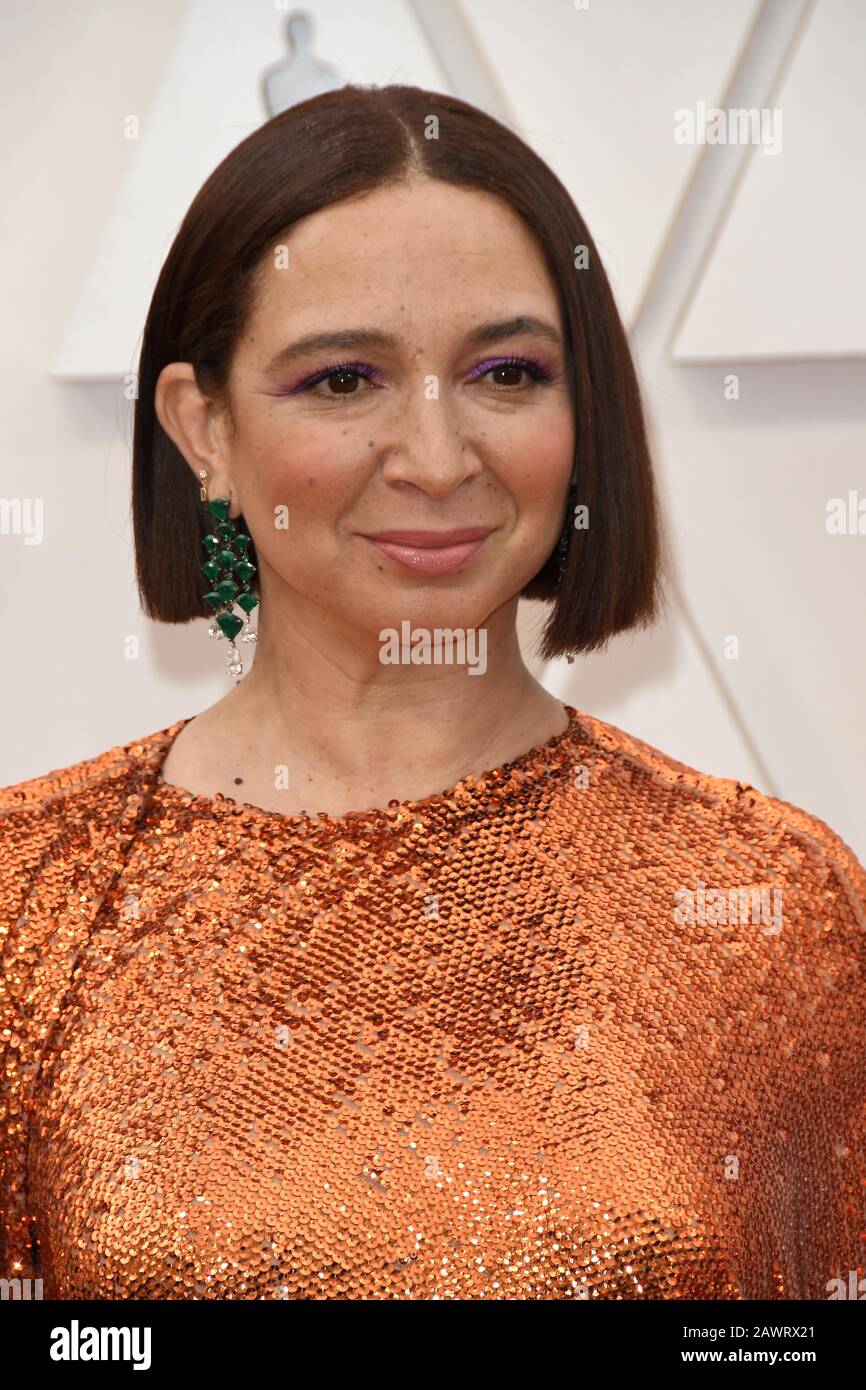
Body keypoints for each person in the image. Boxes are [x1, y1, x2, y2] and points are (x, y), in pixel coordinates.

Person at [1, 84, 863, 1301]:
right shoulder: (29, 904)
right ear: (202, 430)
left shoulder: (766, 906)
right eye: (344, 381)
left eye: (504, 372)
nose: (439, 456)